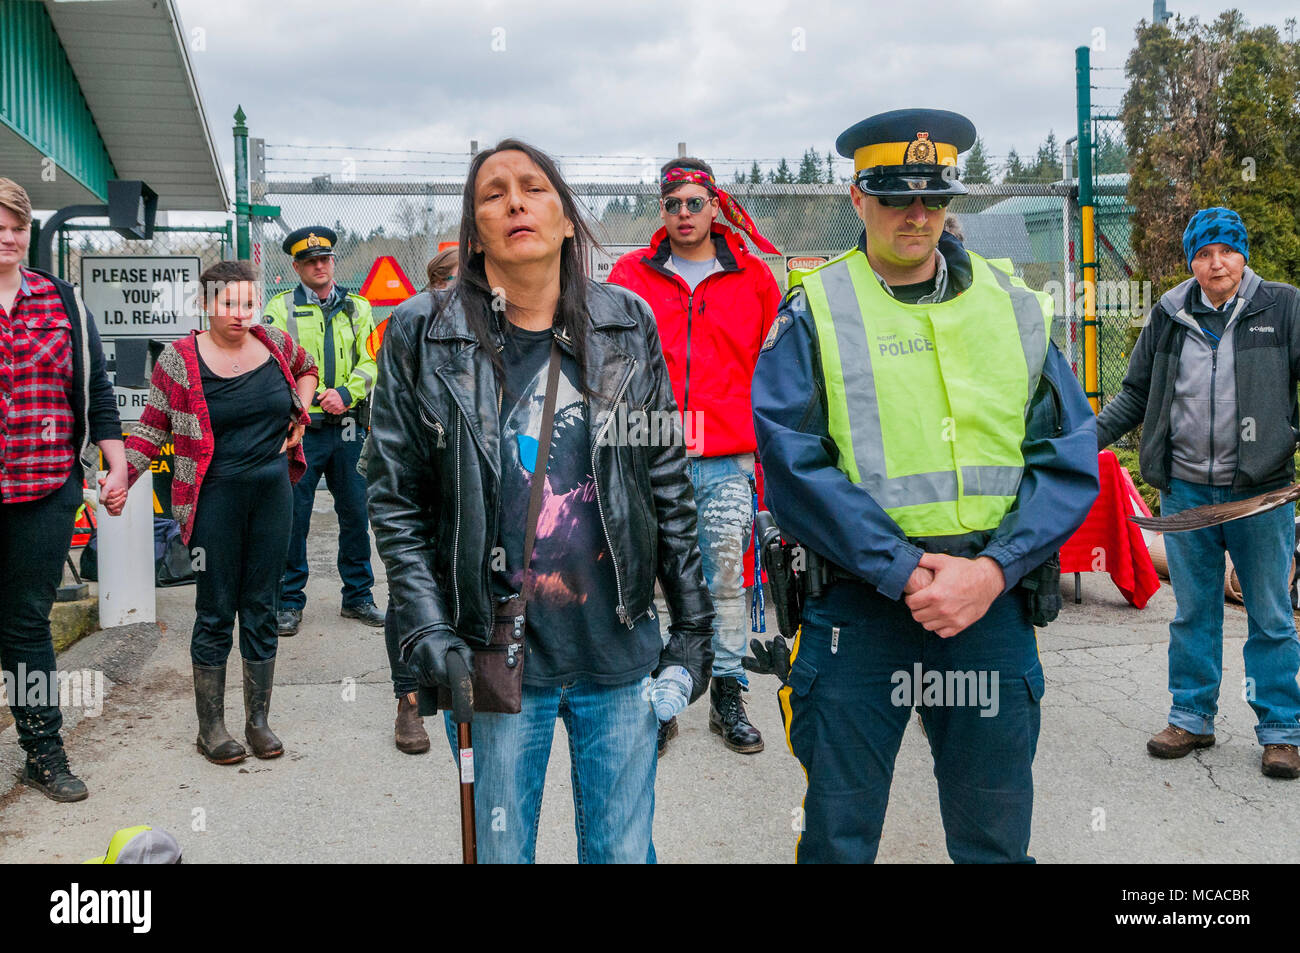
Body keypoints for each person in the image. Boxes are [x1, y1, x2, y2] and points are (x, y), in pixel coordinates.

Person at [751, 109, 1099, 862]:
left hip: (989, 604)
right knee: (839, 839)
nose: (917, 214)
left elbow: (1068, 459)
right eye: (895, 196)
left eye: (934, 198)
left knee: (994, 841)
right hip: (861, 608)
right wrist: (901, 567)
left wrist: (993, 568)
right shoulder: (815, 309)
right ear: (856, 199)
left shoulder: (1014, 308)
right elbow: (791, 464)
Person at [366, 138, 714, 863]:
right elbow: (395, 499)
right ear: (475, 230)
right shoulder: (422, 333)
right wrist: (426, 626)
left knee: (621, 851)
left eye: (533, 188)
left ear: (565, 220)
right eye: (493, 193)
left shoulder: (627, 323)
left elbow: (666, 477)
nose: (515, 201)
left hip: (618, 649)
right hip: (493, 652)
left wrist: (694, 622)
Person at [1096, 207, 1300, 779]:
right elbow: (1134, 396)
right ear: (1193, 261)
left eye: (1227, 252)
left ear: (1243, 255)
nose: (1217, 264)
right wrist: (1078, 446)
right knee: (1194, 613)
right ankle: (1190, 717)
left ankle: (1282, 730)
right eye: (1204, 254)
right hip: (1186, 492)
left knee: (1271, 615)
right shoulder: (1168, 314)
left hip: (1262, 494)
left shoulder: (1282, 306)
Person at [608, 158, 780, 757]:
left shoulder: (753, 278)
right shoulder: (630, 274)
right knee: (654, 576)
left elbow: (773, 367)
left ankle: (728, 690)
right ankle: (666, 696)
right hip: (650, 449)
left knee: (726, 574)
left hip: (725, 453)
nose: (683, 214)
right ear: (663, 211)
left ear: (714, 207)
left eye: (693, 203)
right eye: (672, 204)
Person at [119, 260, 318, 762]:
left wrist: (301, 412)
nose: (239, 313)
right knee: (214, 610)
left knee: (261, 603)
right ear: (206, 304)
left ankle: (258, 721)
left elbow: (308, 367)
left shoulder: (273, 343)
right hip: (212, 501)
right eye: (228, 303)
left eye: (247, 302)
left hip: (273, 495)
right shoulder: (179, 360)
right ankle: (211, 728)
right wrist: (122, 477)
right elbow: (151, 427)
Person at [0, 177, 125, 801]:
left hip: (45, 487)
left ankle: (43, 751)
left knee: (26, 623)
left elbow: (97, 389)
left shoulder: (64, 303)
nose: (7, 236)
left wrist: (116, 460)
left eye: (17, 226)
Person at [263, 227, 384, 635]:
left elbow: (372, 361)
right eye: (310, 261)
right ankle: (289, 602)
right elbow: (272, 364)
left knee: (354, 513)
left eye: (325, 259)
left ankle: (359, 597)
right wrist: (306, 403)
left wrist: (347, 393)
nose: (319, 265)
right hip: (302, 429)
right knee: (293, 516)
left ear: (333, 262)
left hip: (349, 426)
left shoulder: (358, 307)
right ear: (296, 267)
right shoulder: (279, 309)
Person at [380, 246, 458, 755]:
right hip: (412, 479)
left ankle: (457, 673)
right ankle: (409, 699)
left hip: (464, 487)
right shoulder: (409, 330)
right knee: (408, 586)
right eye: (450, 282)